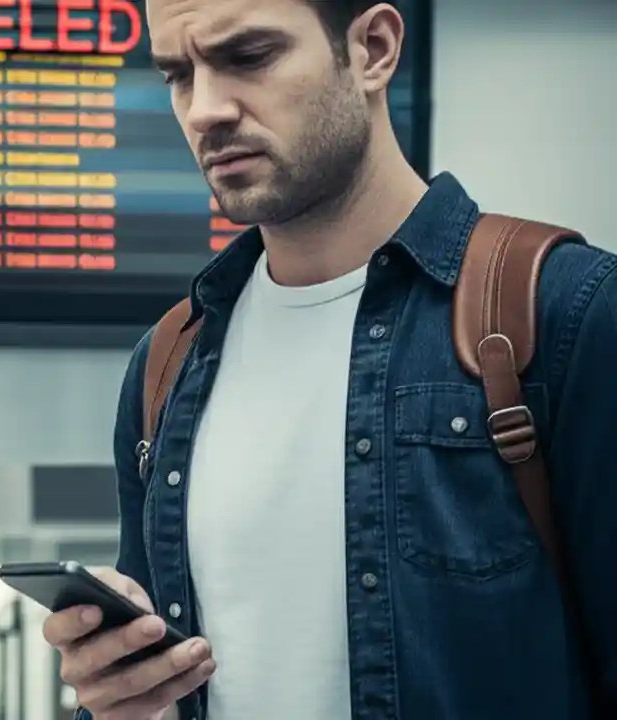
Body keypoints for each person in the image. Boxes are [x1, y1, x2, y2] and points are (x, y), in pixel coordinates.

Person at [41, 0, 616, 719]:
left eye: (248, 56)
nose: (204, 110)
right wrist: (119, 695)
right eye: (179, 74)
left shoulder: (566, 312)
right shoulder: (165, 366)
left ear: (373, 48)